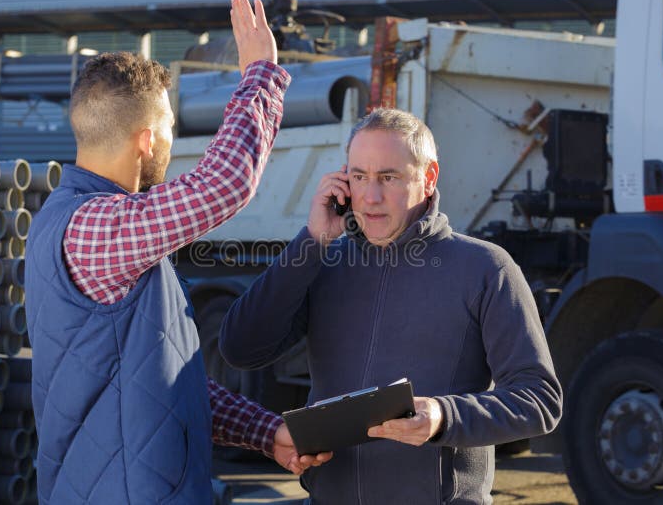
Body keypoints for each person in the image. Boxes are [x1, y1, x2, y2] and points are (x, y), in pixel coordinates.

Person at [25, 0, 330, 504]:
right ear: (146, 140)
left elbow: (163, 382)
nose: (173, 139)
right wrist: (261, 75)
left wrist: (265, 432)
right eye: (170, 128)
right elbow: (224, 183)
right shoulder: (93, 228)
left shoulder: (86, 226)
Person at [219, 108, 563, 504]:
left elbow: (538, 399)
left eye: (388, 177)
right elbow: (240, 349)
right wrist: (311, 242)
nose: (371, 196)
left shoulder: (486, 268)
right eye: (359, 176)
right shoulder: (324, 261)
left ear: (428, 177)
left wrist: (443, 416)